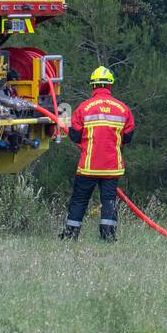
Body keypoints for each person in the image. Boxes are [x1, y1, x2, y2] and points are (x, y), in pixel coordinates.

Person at [59, 66, 135, 242]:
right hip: (111, 168)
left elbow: (75, 135)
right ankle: (108, 237)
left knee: (79, 200)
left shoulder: (84, 108)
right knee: (109, 201)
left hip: (88, 166)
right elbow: (128, 137)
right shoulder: (123, 109)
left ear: (93, 86)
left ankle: (70, 236)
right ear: (110, 86)